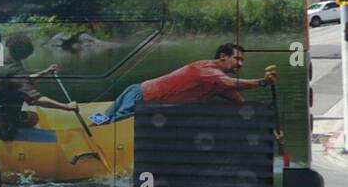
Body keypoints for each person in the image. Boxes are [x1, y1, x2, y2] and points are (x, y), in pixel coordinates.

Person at [104, 43, 277, 123]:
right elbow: (231, 83)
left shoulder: (218, 83)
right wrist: (262, 82)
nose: (240, 64)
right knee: (107, 124)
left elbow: (242, 103)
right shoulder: (206, 69)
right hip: (140, 95)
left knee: (104, 123)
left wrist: (266, 125)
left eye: (242, 60)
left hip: (145, 100)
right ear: (223, 57)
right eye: (237, 59)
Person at [0, 33, 78, 141]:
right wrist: (66, 106)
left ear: (9, 44)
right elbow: (35, 99)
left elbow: (20, 82)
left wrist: (45, 72)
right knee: (33, 118)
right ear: (26, 55)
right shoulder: (17, 71)